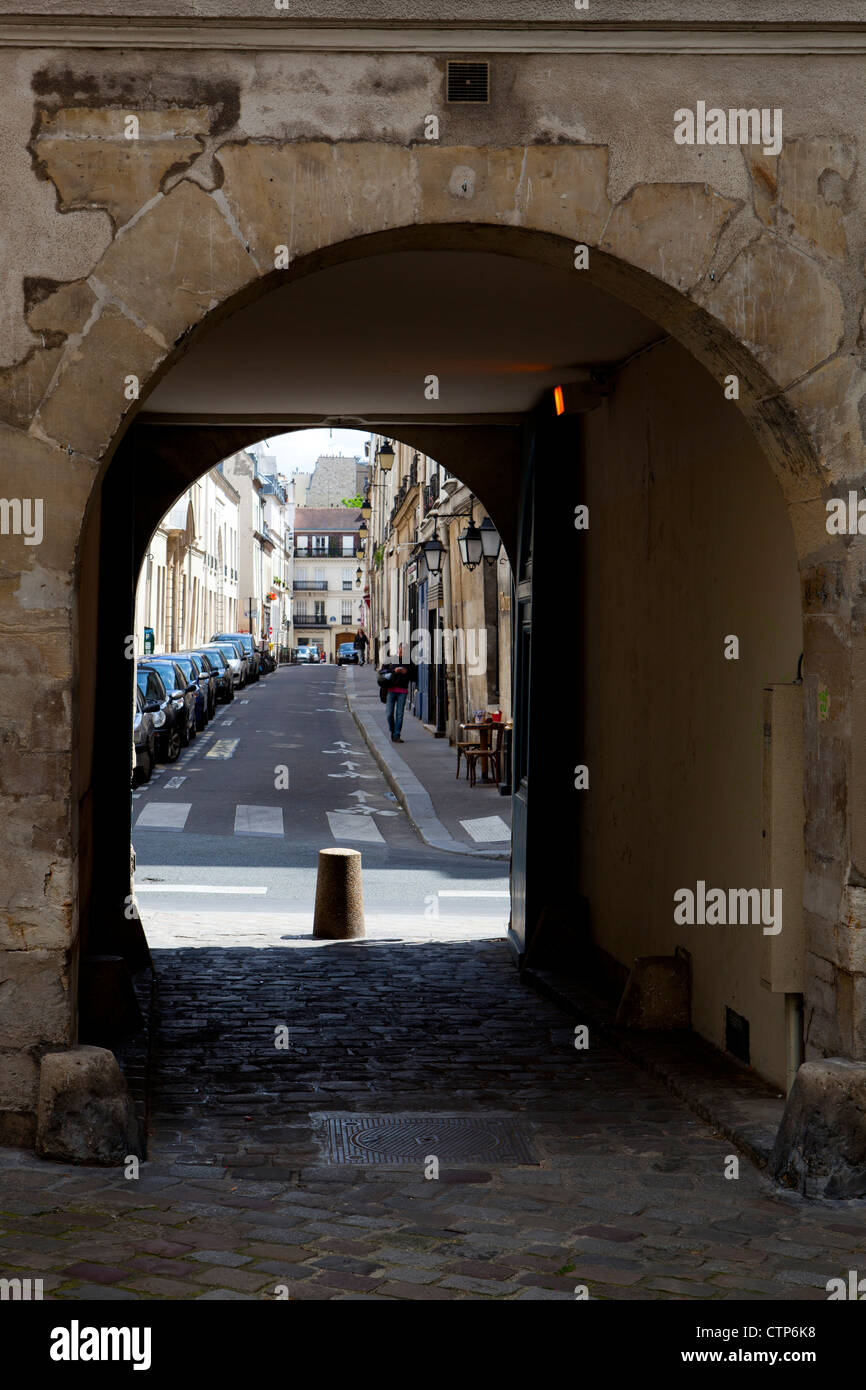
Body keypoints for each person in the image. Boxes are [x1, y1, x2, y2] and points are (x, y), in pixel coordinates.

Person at [379, 644, 417, 743]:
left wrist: (406, 672)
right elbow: (382, 671)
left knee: (399, 715)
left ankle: (396, 735)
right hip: (391, 690)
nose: (402, 652)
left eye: (404, 651)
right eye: (400, 650)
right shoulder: (391, 659)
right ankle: (393, 730)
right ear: (398, 650)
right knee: (389, 714)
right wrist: (394, 671)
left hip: (402, 691)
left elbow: (414, 676)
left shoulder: (410, 662)